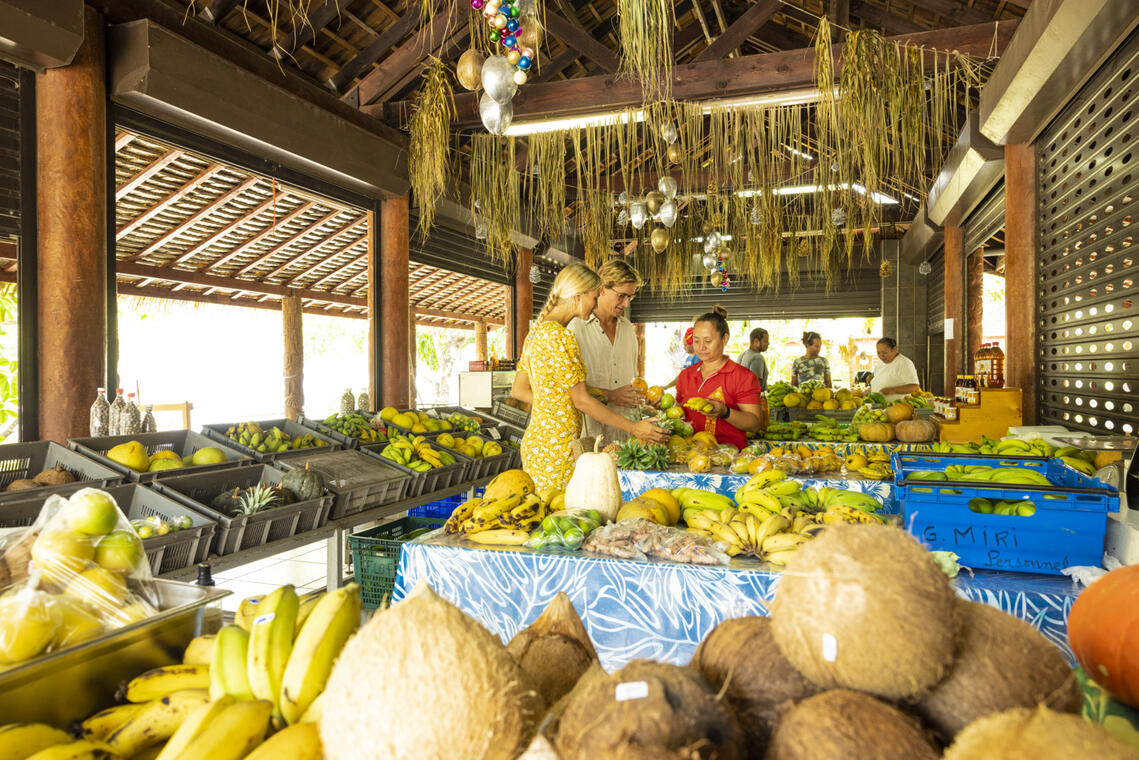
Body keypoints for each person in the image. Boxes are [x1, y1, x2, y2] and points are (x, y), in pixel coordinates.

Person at [511, 263, 669, 491]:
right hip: (559, 447)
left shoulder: (537, 332)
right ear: (577, 296)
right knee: (566, 516)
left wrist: (559, 405)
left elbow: (523, 390)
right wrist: (634, 428)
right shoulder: (562, 337)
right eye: (594, 298)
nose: (595, 304)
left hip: (541, 443)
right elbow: (581, 400)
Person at [568, 260, 644, 442]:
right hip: (589, 438)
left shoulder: (628, 330)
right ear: (602, 289)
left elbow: (632, 380)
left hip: (625, 440)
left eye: (630, 298)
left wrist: (643, 397)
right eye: (621, 296)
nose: (626, 304)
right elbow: (566, 391)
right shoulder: (574, 329)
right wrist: (609, 395)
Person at [670, 306, 762, 449]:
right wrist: (661, 407)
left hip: (728, 461)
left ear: (724, 339)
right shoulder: (686, 375)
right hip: (689, 457)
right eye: (696, 341)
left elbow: (755, 424)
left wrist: (725, 412)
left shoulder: (743, 377)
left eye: (707, 341)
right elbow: (679, 413)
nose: (701, 347)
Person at [869, 337, 921, 402]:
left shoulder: (905, 363)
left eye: (884, 352)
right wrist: (870, 390)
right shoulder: (880, 362)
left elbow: (915, 387)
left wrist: (893, 390)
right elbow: (878, 380)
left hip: (897, 407)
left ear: (894, 350)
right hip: (879, 407)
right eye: (878, 353)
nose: (881, 355)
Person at [737, 327, 769, 391]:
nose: (768, 343)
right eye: (765, 341)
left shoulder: (742, 355)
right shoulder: (757, 358)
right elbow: (756, 385)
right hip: (755, 399)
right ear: (756, 341)